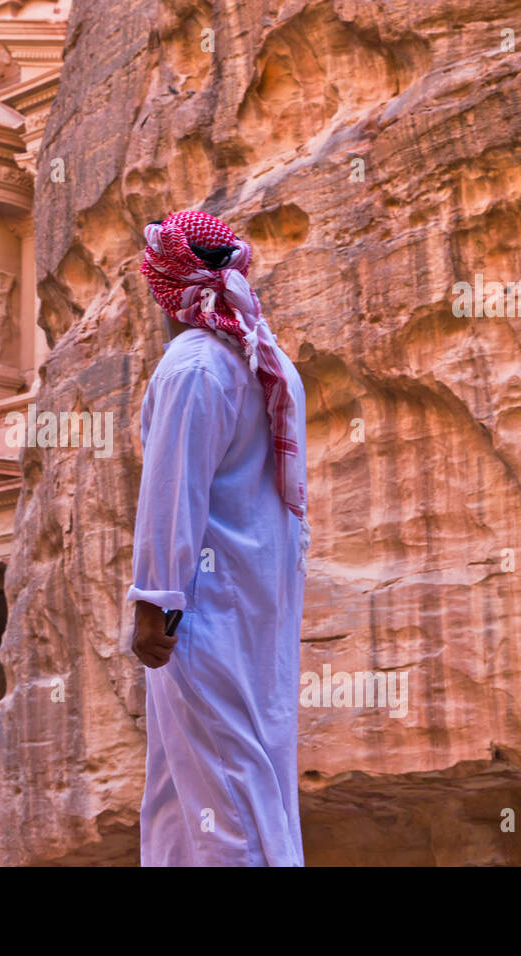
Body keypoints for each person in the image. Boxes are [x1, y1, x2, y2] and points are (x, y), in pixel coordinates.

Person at [127, 210, 311, 866]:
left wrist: (155, 600)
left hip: (201, 613)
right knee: (181, 787)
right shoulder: (265, 359)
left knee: (231, 787)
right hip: (253, 604)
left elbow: (174, 494)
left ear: (167, 288)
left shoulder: (195, 366)